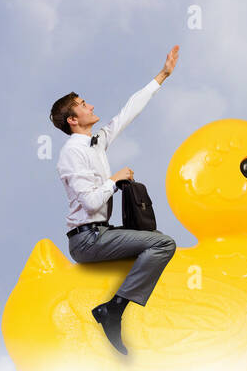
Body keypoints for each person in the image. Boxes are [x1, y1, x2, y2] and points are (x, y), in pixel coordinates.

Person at [48, 46, 180, 355]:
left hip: (102, 233)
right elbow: (92, 204)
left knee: (156, 240)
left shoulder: (97, 143)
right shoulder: (72, 153)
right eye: (82, 104)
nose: (90, 105)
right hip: (87, 239)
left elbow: (128, 112)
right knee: (164, 244)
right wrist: (115, 179)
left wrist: (162, 76)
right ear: (72, 120)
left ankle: (139, 312)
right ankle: (114, 310)